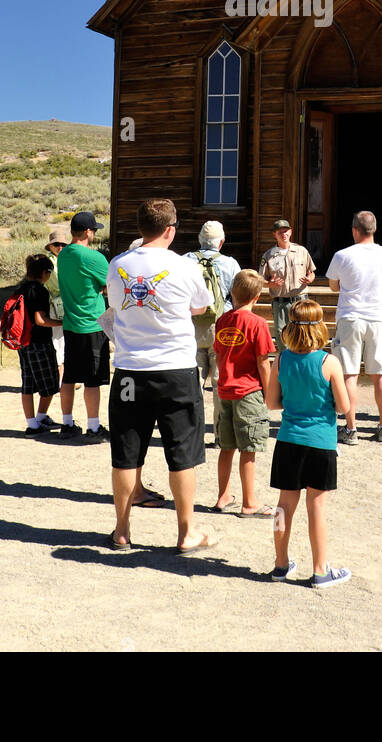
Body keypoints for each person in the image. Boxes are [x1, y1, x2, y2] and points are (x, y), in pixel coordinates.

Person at [104, 197, 218, 555]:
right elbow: (200, 306)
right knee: (182, 452)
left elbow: (114, 304)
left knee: (125, 452)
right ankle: (186, 533)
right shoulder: (182, 266)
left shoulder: (117, 265)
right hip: (175, 369)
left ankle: (121, 530)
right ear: (170, 230)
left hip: (129, 370)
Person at [266, 297, 351, 588]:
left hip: (288, 439)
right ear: (320, 327)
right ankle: (320, 570)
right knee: (317, 507)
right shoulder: (329, 362)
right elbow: (343, 406)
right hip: (320, 441)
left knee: (283, 507)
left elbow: (271, 402)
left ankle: (279, 564)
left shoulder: (281, 359)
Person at [326, 210, 382, 445]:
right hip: (376, 316)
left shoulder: (342, 255)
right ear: (374, 229)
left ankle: (351, 428)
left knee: (350, 374)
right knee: (380, 374)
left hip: (350, 316)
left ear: (355, 230)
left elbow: (334, 287)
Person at [211, 269, 276, 516]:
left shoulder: (223, 320)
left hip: (225, 389)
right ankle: (250, 501)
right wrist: (270, 392)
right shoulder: (258, 324)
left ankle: (223, 495)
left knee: (226, 447)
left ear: (232, 293)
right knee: (248, 449)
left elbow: (218, 354)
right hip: (249, 391)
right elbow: (263, 361)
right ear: (257, 297)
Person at [56, 210, 110, 441]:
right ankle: (93, 426)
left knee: (69, 376)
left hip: (71, 322)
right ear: (88, 232)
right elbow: (110, 285)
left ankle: (67, 422)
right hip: (92, 323)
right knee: (92, 379)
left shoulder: (63, 254)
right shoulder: (94, 257)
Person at [183, 221, 239, 391]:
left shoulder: (185, 260)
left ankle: (194, 416)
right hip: (220, 323)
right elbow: (237, 296)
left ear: (200, 239)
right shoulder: (230, 263)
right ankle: (218, 416)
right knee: (219, 381)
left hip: (191, 324)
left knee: (193, 381)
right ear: (221, 242)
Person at [13, 254, 64, 434]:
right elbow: (40, 320)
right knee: (50, 383)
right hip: (39, 342)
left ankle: (32, 423)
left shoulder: (20, 288)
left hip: (23, 341)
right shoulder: (40, 291)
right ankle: (41, 416)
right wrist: (62, 323)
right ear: (44, 272)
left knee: (27, 383)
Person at [259, 218, 315, 344]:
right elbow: (261, 280)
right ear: (274, 235)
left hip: (300, 301)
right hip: (280, 303)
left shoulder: (301, 251)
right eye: (280, 232)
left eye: (286, 231)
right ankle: (285, 362)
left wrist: (309, 279)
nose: (284, 234)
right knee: (282, 335)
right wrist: (270, 284)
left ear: (291, 232)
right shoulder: (268, 255)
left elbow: (311, 273)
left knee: (303, 334)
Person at [43, 226, 67, 373]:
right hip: (56, 303)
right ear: (50, 246)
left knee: (65, 339)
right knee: (58, 339)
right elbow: (59, 281)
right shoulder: (49, 262)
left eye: (63, 244)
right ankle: (59, 375)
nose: (60, 247)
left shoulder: (63, 259)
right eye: (56, 244)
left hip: (66, 303)